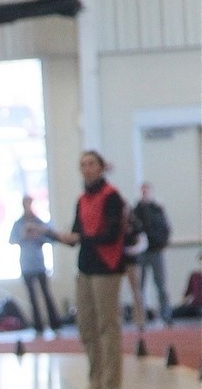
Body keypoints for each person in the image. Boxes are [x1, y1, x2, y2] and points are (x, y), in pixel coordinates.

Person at [56, 150, 125, 389]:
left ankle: (111, 382)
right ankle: (95, 379)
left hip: (106, 267)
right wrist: (54, 236)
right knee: (86, 325)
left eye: (91, 163)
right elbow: (76, 235)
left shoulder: (112, 197)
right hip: (85, 266)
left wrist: (81, 237)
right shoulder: (81, 199)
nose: (87, 168)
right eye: (83, 164)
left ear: (101, 167)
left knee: (107, 326)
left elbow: (111, 234)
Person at [8, 195, 61, 333]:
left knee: (46, 294)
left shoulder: (39, 222)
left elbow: (51, 238)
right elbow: (12, 240)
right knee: (32, 297)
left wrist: (38, 235)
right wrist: (23, 236)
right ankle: (38, 325)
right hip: (26, 265)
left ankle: (54, 323)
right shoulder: (18, 223)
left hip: (39, 263)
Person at [133, 182, 172, 325]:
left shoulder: (157, 210)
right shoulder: (135, 211)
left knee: (161, 284)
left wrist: (161, 243)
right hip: (141, 252)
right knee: (139, 286)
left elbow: (166, 228)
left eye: (146, 190)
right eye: (142, 190)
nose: (144, 193)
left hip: (156, 251)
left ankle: (166, 315)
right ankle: (141, 318)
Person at [120, 204, 146, 330]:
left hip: (133, 261)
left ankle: (140, 320)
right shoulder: (116, 225)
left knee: (136, 290)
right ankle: (118, 319)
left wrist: (131, 250)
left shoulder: (136, 224)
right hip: (118, 262)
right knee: (116, 292)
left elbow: (142, 243)